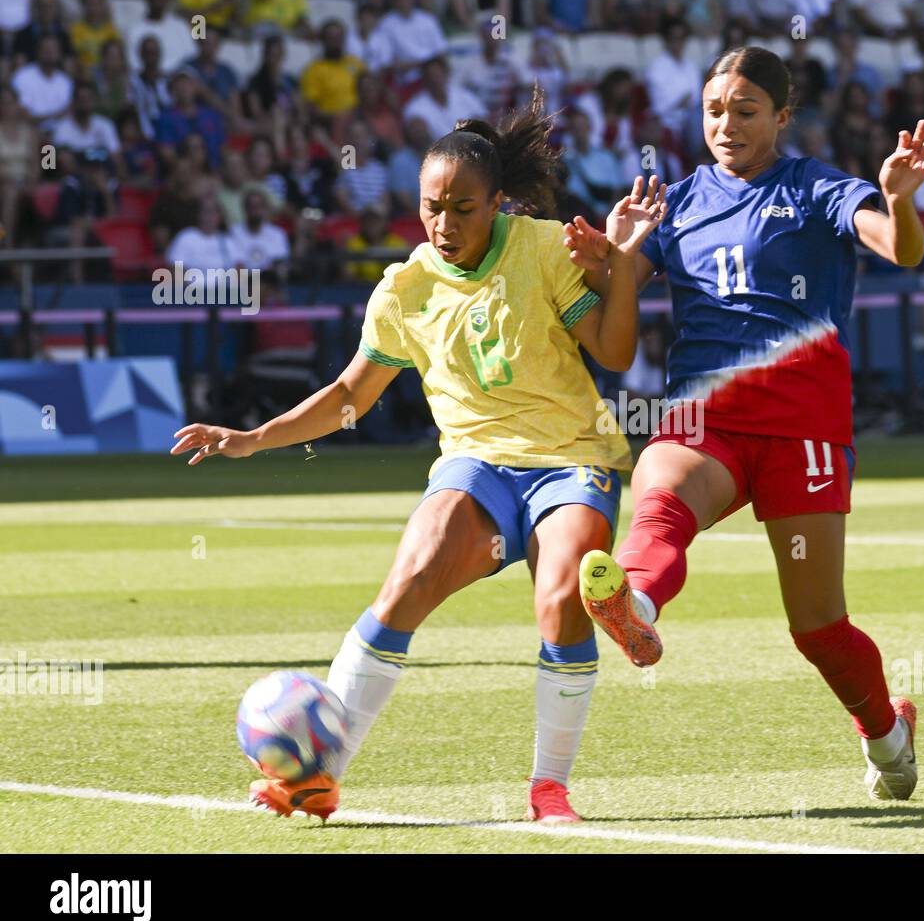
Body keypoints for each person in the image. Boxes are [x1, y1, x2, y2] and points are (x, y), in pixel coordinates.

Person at [169, 93, 668, 824]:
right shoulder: (404, 288)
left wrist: (621, 266)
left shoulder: (545, 248)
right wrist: (249, 438)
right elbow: (348, 396)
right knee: (407, 577)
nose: (445, 224)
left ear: (500, 203)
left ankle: (549, 789)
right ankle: (318, 776)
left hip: (570, 460)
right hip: (476, 463)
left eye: (464, 208)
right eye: (432, 207)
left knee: (562, 596)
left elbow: (617, 352)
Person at [563, 46, 924, 801]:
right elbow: (610, 310)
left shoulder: (818, 187)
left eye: (745, 109)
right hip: (705, 420)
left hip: (803, 428)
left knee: (817, 627)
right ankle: (633, 603)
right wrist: (613, 253)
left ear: (781, 117)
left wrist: (899, 198)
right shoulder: (678, 203)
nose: (725, 124)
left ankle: (887, 737)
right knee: (660, 498)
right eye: (713, 111)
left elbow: (900, 249)